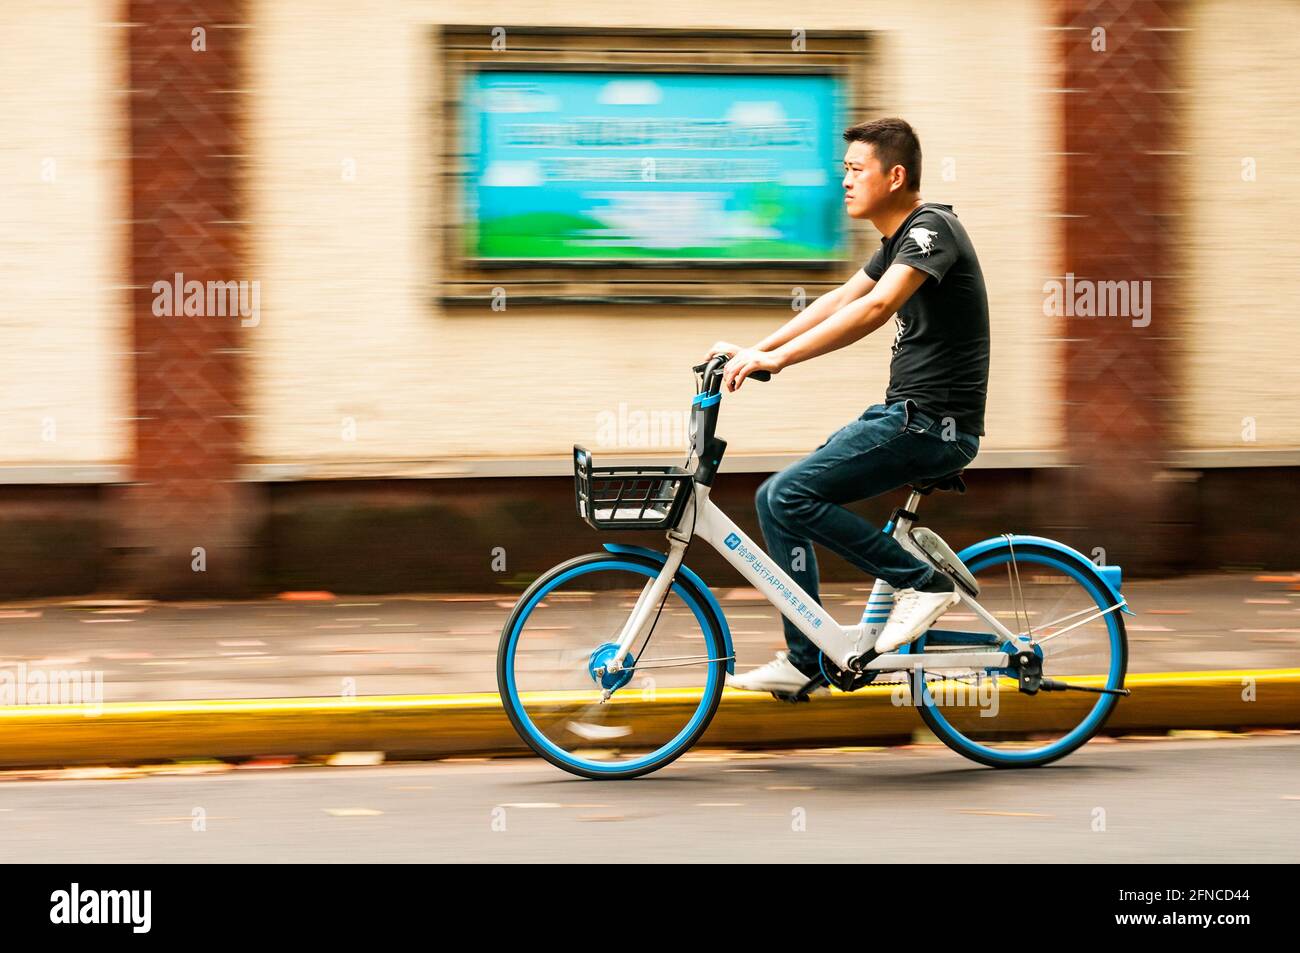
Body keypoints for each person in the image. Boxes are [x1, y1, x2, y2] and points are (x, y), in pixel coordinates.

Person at [709, 117, 990, 695]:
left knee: (789, 494)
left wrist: (779, 363)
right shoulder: (896, 242)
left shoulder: (932, 230)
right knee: (778, 498)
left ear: (895, 175)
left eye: (856, 170)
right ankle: (805, 658)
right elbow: (842, 297)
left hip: (933, 426)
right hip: (904, 417)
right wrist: (756, 349)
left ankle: (922, 584)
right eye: (844, 171)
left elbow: (876, 307)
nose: (845, 182)